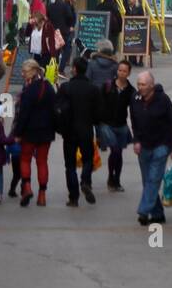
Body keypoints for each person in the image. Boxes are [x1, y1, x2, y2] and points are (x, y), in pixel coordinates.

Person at [129, 71, 172, 226]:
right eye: (138, 84)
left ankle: (143, 212)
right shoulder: (135, 99)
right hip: (143, 146)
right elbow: (134, 121)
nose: (140, 87)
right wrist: (136, 140)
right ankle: (157, 214)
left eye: (143, 84)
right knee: (148, 182)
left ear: (151, 85)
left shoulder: (163, 100)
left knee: (153, 179)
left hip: (161, 145)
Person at [57, 57, 103, 207]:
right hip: (86, 130)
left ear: (75, 69)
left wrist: (60, 128)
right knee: (88, 159)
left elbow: (57, 110)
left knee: (69, 165)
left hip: (69, 131)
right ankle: (85, 180)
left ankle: (73, 197)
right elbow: (98, 113)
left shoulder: (65, 88)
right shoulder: (93, 89)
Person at [12, 58, 57, 207]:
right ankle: (42, 196)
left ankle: (27, 188)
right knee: (42, 161)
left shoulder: (28, 90)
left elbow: (23, 114)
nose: (22, 74)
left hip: (29, 131)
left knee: (25, 159)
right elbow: (54, 109)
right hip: (46, 131)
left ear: (32, 71)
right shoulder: (49, 87)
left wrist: (18, 133)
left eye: (24, 72)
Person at [101, 59, 135, 192]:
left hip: (121, 124)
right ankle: (111, 177)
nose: (121, 73)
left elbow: (134, 110)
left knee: (119, 153)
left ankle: (117, 180)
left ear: (129, 73)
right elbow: (99, 104)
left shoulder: (131, 91)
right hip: (108, 124)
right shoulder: (108, 86)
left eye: (124, 71)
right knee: (114, 150)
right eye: (120, 70)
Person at [48, 0, 77, 73]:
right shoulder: (65, 6)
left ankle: (53, 70)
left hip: (54, 31)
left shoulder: (50, 6)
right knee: (67, 50)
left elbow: (48, 17)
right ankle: (61, 69)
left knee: (55, 51)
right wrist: (69, 25)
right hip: (64, 31)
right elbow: (70, 17)